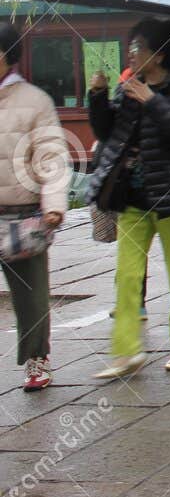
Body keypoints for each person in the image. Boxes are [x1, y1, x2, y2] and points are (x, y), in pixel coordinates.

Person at [88, 18, 170, 378]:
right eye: (131, 46)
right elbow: (108, 132)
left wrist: (152, 101)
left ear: (159, 53)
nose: (131, 52)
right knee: (126, 275)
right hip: (135, 196)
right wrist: (98, 96)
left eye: (138, 47)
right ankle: (126, 352)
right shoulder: (130, 87)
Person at [0, 21, 69, 391]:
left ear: (7, 57)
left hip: (22, 215)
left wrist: (54, 205)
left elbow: (52, 157)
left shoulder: (35, 101)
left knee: (31, 296)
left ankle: (36, 362)